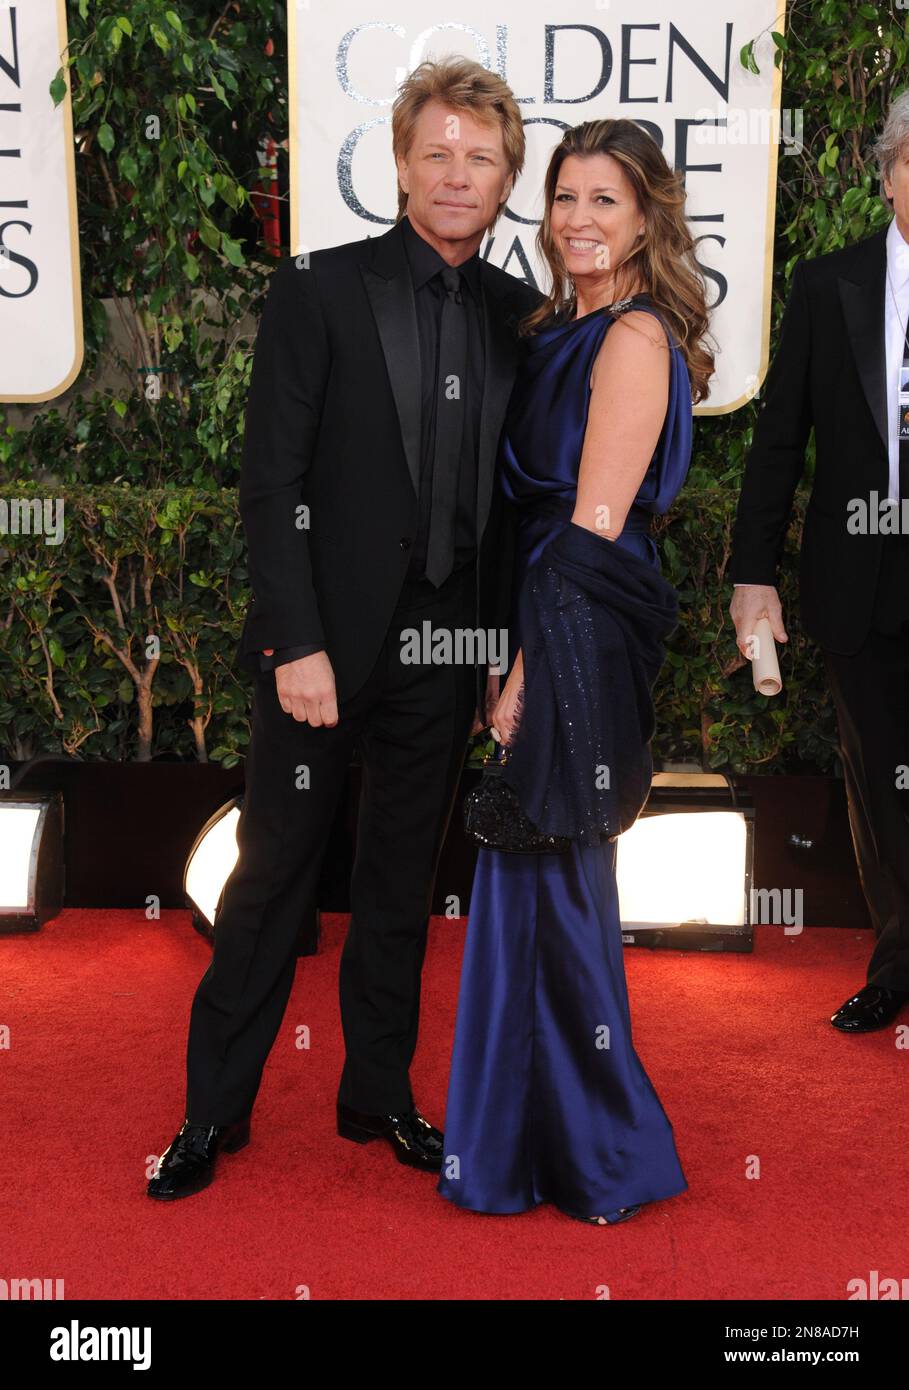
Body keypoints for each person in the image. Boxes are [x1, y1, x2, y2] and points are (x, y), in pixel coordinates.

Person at [148, 57, 542, 1200]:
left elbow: (520, 507)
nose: (457, 174)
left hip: (448, 651)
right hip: (325, 649)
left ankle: (376, 1091)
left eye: (481, 157)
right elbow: (271, 484)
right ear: (401, 163)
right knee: (272, 881)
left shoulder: (524, 318)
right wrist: (293, 642)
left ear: (508, 175)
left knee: (400, 887)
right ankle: (208, 1112)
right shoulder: (317, 289)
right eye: (438, 152)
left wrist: (496, 650)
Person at [437, 120, 714, 1223]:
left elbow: (593, 532)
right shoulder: (558, 325)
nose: (580, 220)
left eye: (606, 199)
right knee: (531, 871)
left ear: (647, 216)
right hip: (542, 608)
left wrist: (521, 675)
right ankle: (532, 1145)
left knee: (549, 868)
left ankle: (597, 1152)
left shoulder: (635, 337)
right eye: (564, 197)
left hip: (579, 616)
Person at [729, 92, 909, 1034]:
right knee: (880, 784)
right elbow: (777, 439)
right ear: (886, 176)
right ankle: (896, 964)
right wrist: (749, 571)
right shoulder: (826, 284)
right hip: (860, 585)